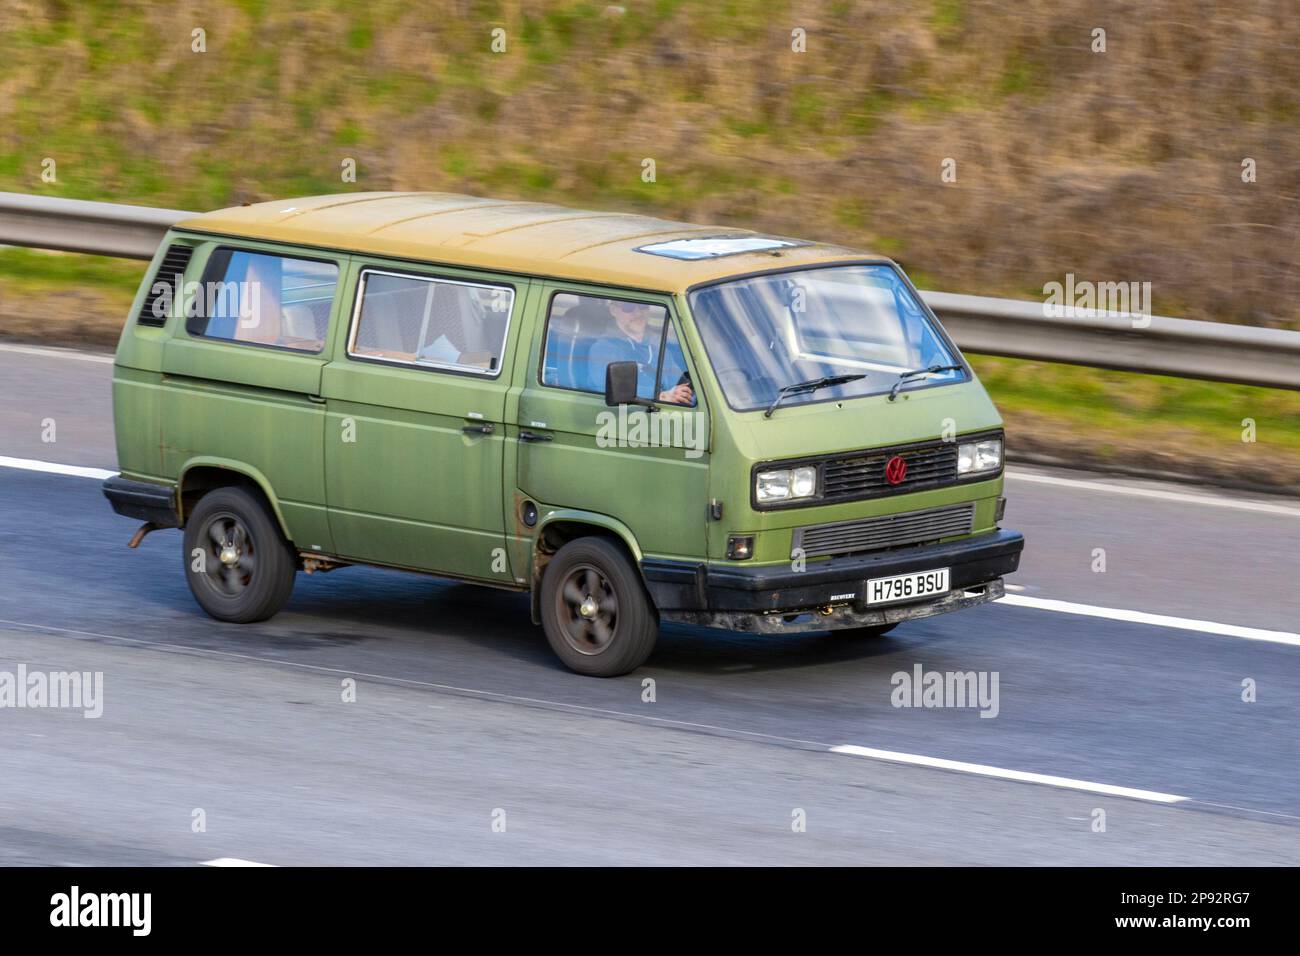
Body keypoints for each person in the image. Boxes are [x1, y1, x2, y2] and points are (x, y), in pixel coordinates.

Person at [588, 299, 694, 405]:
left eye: (643, 306)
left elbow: (679, 384)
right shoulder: (603, 349)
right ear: (613, 310)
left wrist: (684, 393)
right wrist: (660, 396)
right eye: (628, 307)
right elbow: (608, 389)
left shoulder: (659, 345)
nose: (638, 313)